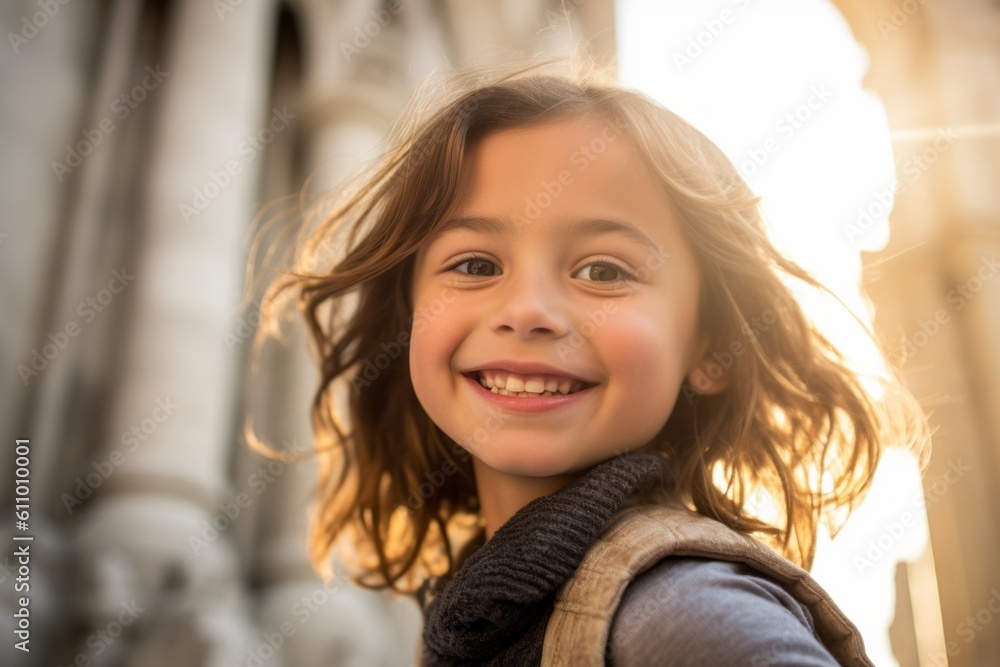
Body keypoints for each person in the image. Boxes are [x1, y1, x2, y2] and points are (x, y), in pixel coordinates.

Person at [251, 57, 928, 665]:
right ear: (409, 319)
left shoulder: (682, 614)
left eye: (603, 269)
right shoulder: (482, 609)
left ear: (708, 344)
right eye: (476, 264)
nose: (527, 309)